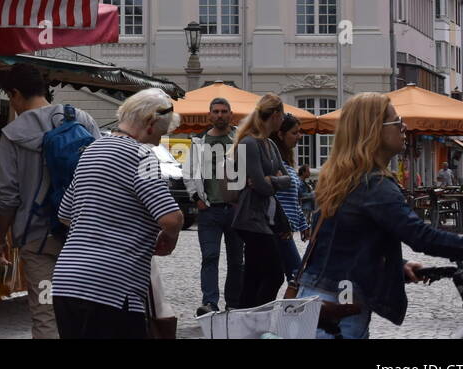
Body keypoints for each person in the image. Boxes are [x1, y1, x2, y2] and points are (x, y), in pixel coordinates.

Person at [297, 93, 463, 338]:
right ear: (375, 131)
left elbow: (345, 243)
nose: (404, 127)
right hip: (341, 305)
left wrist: (399, 265)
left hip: (317, 295)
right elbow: (423, 237)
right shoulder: (373, 184)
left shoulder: (341, 178)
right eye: (397, 122)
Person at [51, 88, 184, 339]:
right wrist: (170, 239)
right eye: (159, 135)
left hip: (67, 282)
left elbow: (65, 214)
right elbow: (171, 218)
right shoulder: (142, 155)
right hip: (113, 286)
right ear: (150, 124)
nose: (157, 143)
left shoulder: (92, 150)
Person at [0, 63, 101, 339]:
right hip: (82, 236)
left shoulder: (12, 135)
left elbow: (6, 196)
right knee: (84, 309)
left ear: (15, 93)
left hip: (37, 239)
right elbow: (102, 172)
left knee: (45, 311)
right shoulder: (82, 120)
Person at [229, 93, 291, 309]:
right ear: (275, 115)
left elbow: (288, 179)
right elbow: (262, 187)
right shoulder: (249, 143)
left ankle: (245, 317)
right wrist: (273, 181)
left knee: (253, 275)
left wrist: (270, 179)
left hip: (265, 218)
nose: (283, 120)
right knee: (274, 274)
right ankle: (259, 316)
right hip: (250, 218)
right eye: (282, 115)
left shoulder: (270, 145)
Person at [184, 96, 244, 315]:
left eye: (223, 111)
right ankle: (210, 301)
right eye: (216, 111)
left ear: (230, 114)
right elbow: (189, 172)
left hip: (236, 210)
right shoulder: (199, 141)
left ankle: (234, 302)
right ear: (210, 115)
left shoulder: (240, 139)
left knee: (237, 260)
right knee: (210, 256)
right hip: (210, 210)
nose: (220, 115)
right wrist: (195, 198)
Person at [271, 113, 310, 285]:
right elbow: (272, 198)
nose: (299, 136)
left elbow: (294, 200)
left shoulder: (287, 163)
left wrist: (303, 225)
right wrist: (283, 224)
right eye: (294, 133)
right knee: (297, 275)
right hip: (278, 230)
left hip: (287, 229)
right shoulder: (273, 162)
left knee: (274, 278)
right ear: (281, 135)